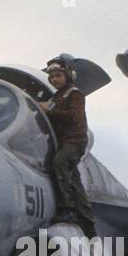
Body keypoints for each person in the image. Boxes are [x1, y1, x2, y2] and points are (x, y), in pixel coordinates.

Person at [38, 57, 95, 237]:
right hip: (64, 142)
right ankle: (88, 224)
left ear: (67, 75)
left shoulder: (74, 94)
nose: (54, 79)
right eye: (52, 77)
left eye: (58, 76)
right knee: (75, 183)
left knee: (59, 163)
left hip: (74, 141)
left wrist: (50, 111)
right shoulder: (56, 97)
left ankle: (67, 209)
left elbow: (74, 117)